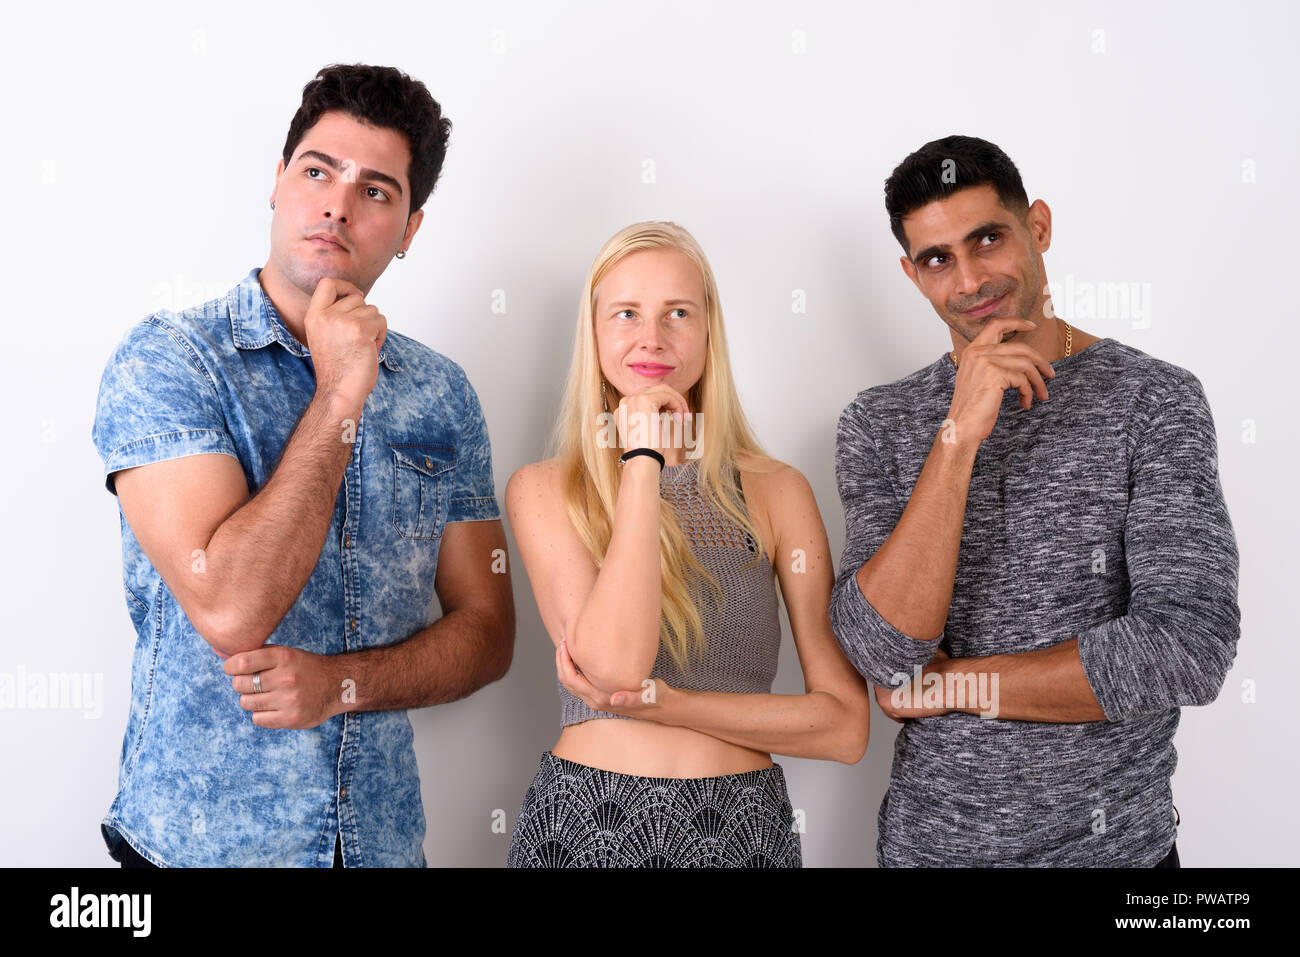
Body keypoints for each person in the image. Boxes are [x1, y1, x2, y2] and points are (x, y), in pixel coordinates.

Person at [90, 63, 514, 867]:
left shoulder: (440, 393)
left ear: (410, 229)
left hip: (379, 849)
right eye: (318, 171)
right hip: (199, 852)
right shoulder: (171, 360)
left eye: (376, 191)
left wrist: (341, 684)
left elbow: (488, 634)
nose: (337, 206)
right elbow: (231, 608)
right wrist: (340, 396)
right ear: (279, 181)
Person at [829, 134, 1240, 867]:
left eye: (988, 239)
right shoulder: (880, 422)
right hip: (930, 852)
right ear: (911, 274)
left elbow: (1187, 648)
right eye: (937, 258)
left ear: (1038, 226)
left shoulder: (1154, 401)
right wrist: (957, 437)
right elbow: (884, 654)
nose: (970, 278)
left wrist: (954, 682)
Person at [504, 221, 872, 867]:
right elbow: (615, 666)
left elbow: (844, 727)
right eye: (626, 313)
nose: (652, 337)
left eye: (678, 312)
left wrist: (672, 704)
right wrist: (644, 460)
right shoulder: (543, 489)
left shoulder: (777, 490)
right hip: (587, 823)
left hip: (740, 828)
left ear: (708, 330)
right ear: (594, 332)